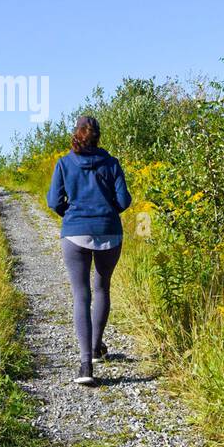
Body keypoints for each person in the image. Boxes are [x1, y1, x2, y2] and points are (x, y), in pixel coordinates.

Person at [47, 115, 132, 386]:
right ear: (98, 136)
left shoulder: (64, 163)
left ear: (76, 134)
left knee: (80, 294)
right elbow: (124, 201)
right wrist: (107, 213)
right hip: (109, 231)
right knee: (102, 287)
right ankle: (96, 349)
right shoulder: (111, 163)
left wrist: (72, 215)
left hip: (75, 233)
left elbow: (53, 201)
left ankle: (86, 366)